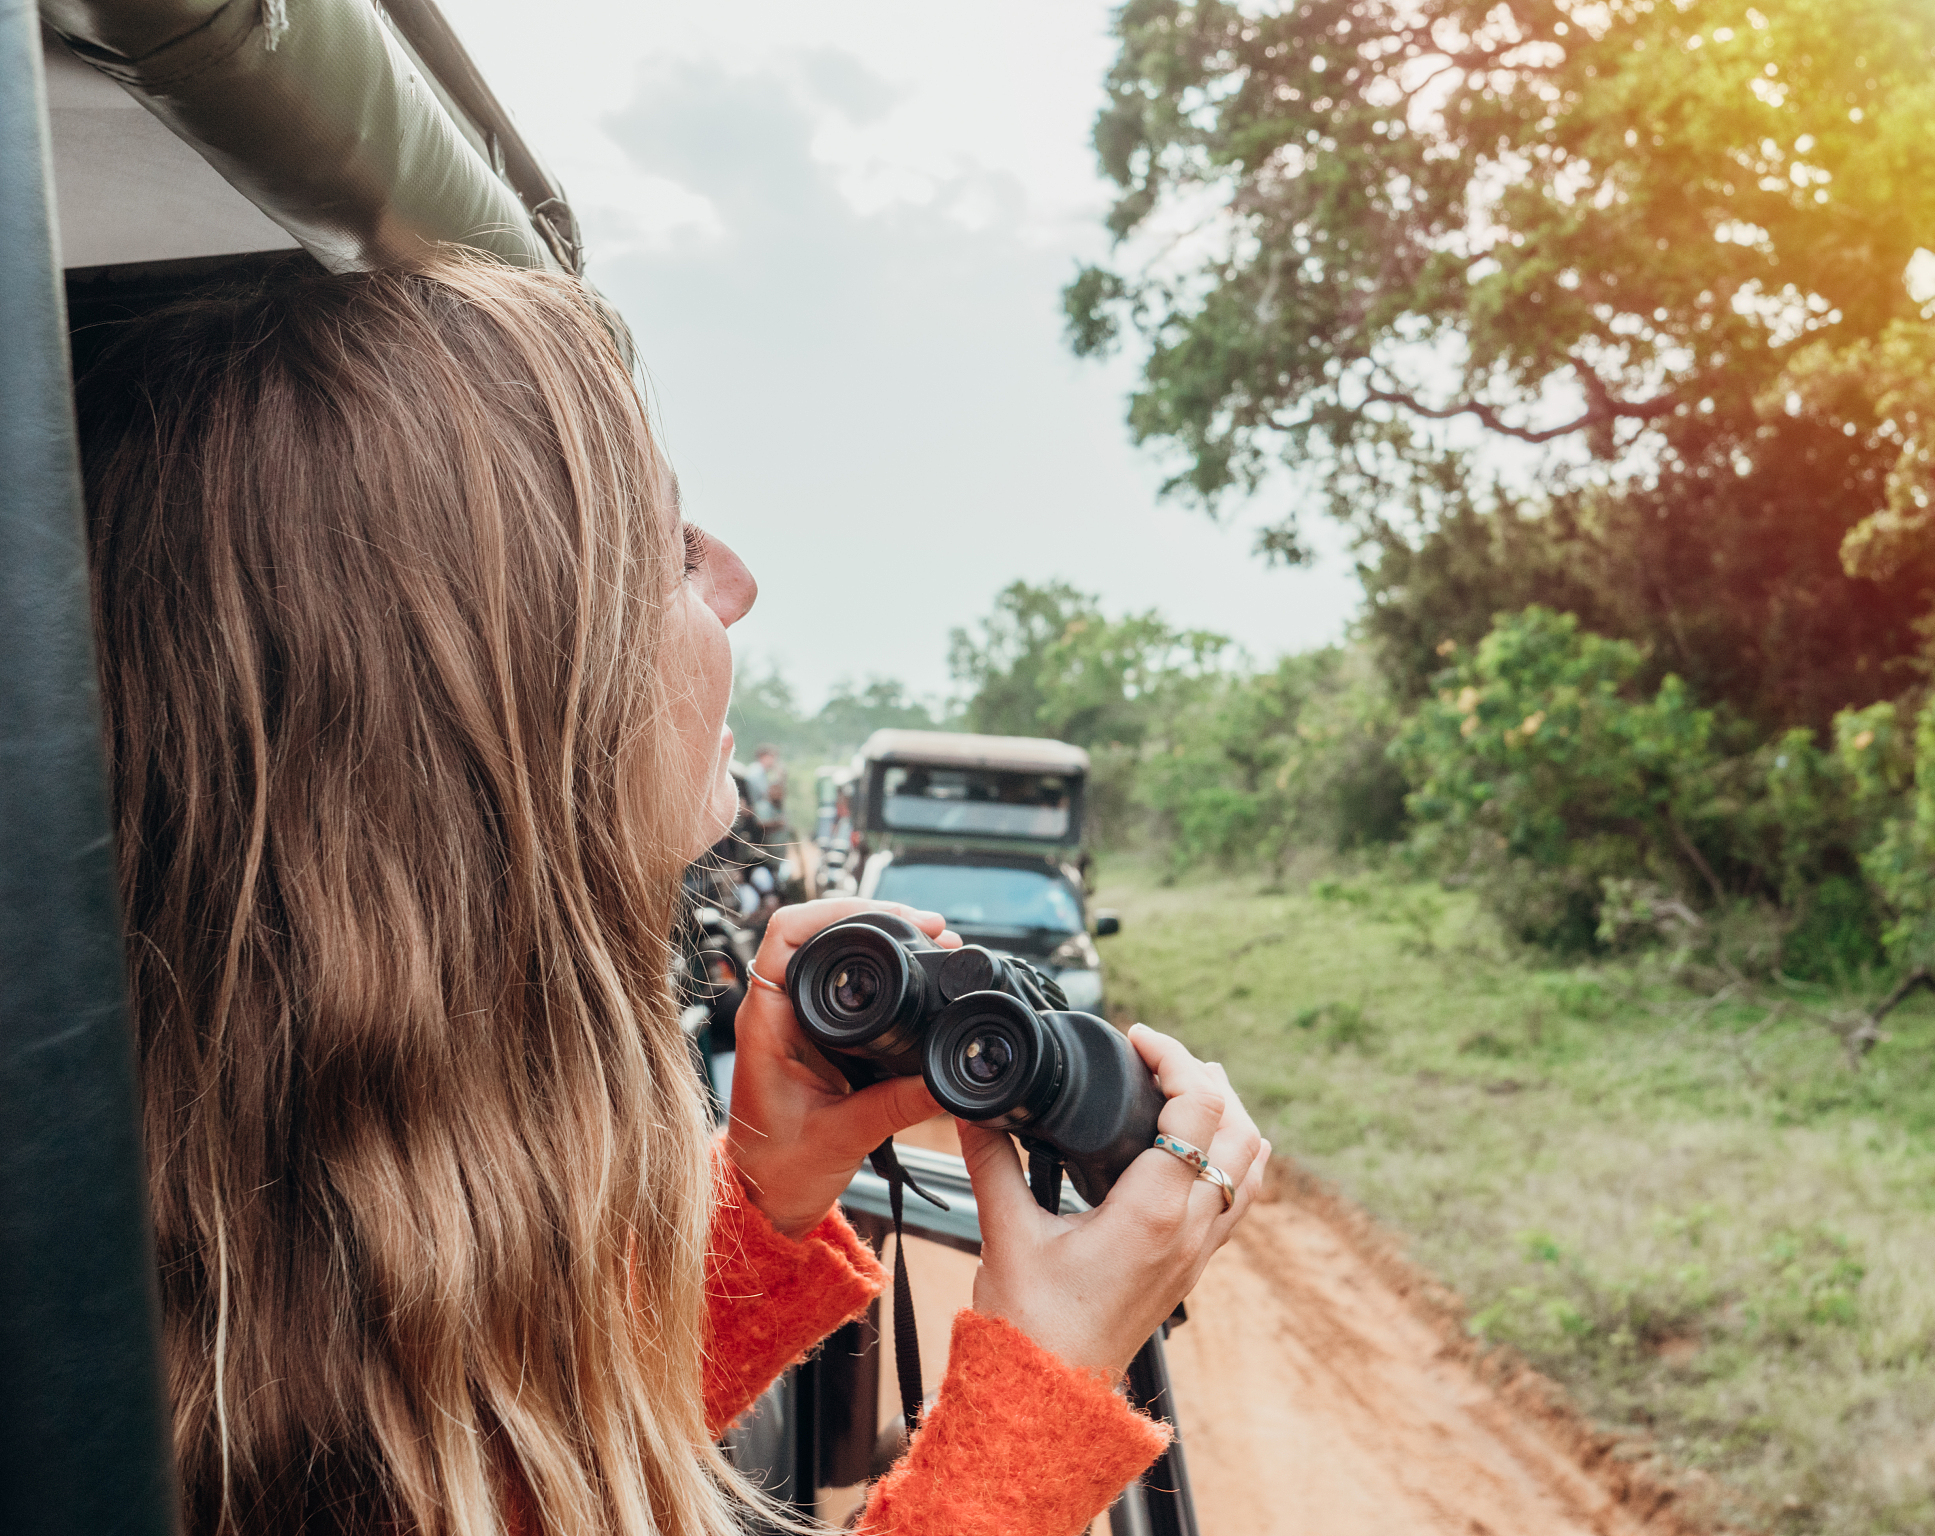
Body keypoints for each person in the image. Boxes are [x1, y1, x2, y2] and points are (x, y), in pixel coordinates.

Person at [76, 254, 1268, 1536]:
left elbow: (498, 1475)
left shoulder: (236, 1241)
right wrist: (1042, 1386)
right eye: (662, 551)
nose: (737, 581)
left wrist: (760, 1199)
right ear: (509, 694)